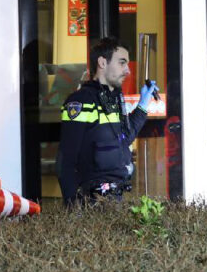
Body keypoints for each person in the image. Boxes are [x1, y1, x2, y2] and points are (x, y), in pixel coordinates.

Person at [57, 37, 156, 204]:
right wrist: (73, 206)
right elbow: (65, 160)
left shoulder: (114, 99)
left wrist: (143, 104)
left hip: (114, 197)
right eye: (122, 63)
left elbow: (126, 136)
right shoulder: (81, 101)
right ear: (102, 63)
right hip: (91, 200)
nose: (128, 71)